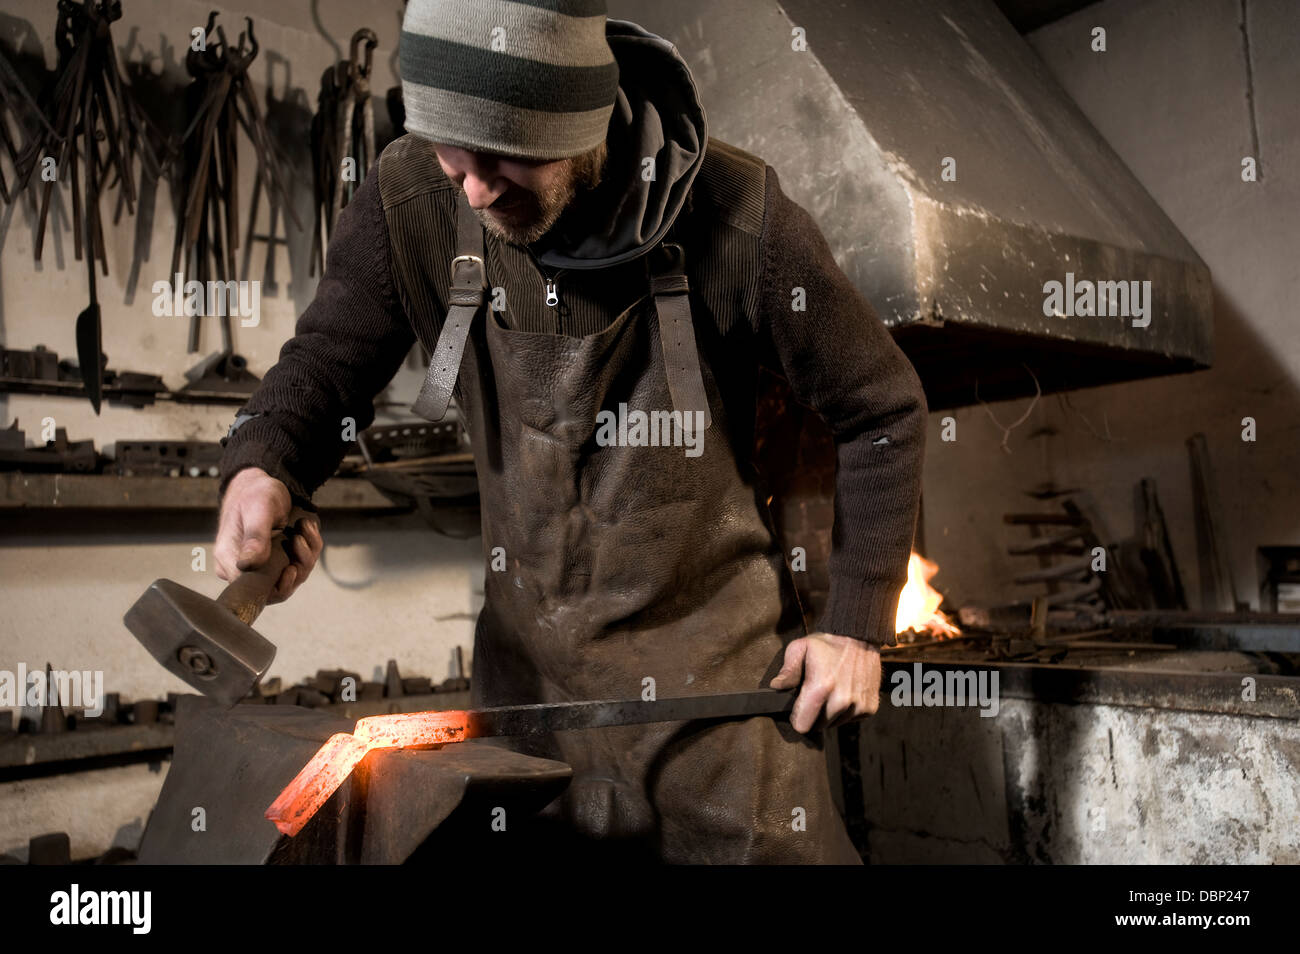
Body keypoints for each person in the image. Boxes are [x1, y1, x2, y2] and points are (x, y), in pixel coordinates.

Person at [215, 0, 927, 863]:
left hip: (719, 718)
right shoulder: (411, 201)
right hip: (528, 712)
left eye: (502, 156)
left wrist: (856, 623)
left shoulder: (740, 220)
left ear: (583, 117)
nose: (474, 192)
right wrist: (267, 464)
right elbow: (327, 366)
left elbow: (881, 407)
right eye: (452, 160)